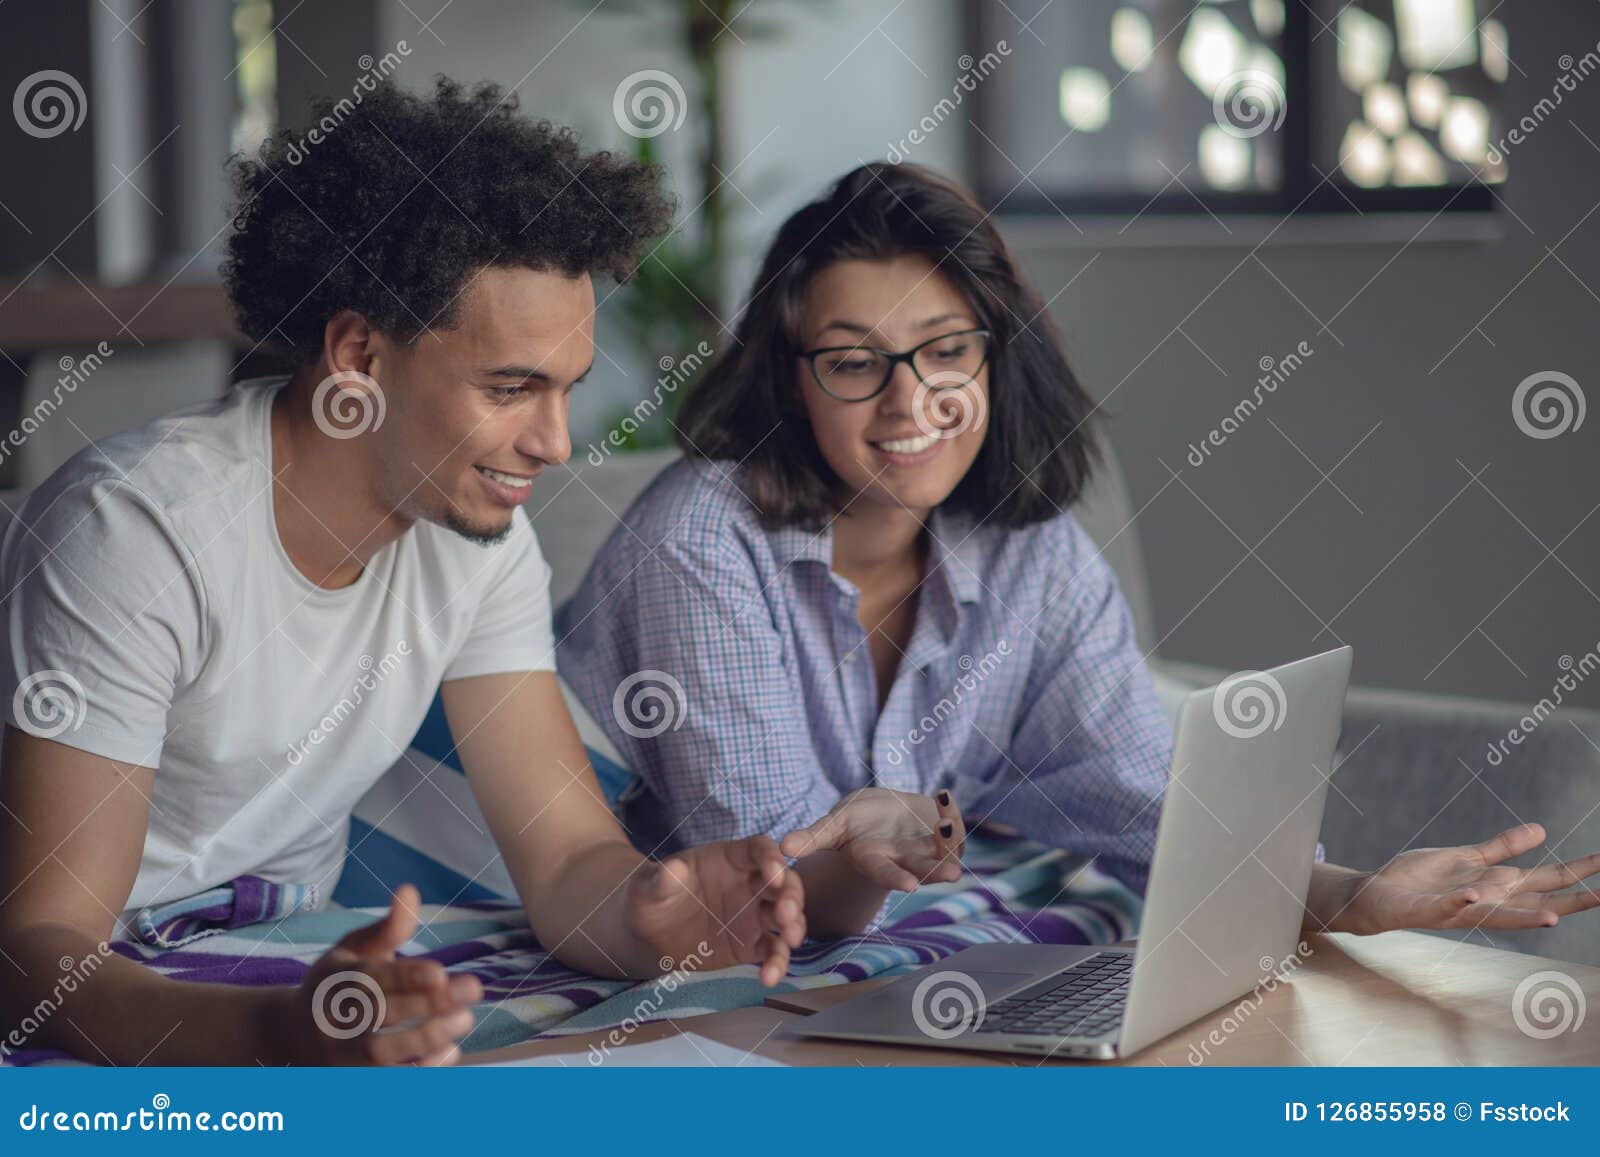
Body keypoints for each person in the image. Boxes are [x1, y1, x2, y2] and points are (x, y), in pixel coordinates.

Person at [556, 161, 1600, 943]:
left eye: (946, 349)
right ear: (790, 379)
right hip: (618, 938)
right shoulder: (698, 542)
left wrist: (1343, 896)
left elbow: (1136, 795)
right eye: (852, 362)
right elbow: (767, 887)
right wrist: (876, 851)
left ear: (995, 352)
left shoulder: (1032, 553)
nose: (911, 402)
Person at [0, 79, 813, 1067]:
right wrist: (277, 1031)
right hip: (123, 1004)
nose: (554, 442)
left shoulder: (479, 542)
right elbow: (41, 950)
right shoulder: (137, 529)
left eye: (565, 390)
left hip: (277, 961)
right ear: (357, 355)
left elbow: (564, 862)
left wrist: (658, 911)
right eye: (510, 388)